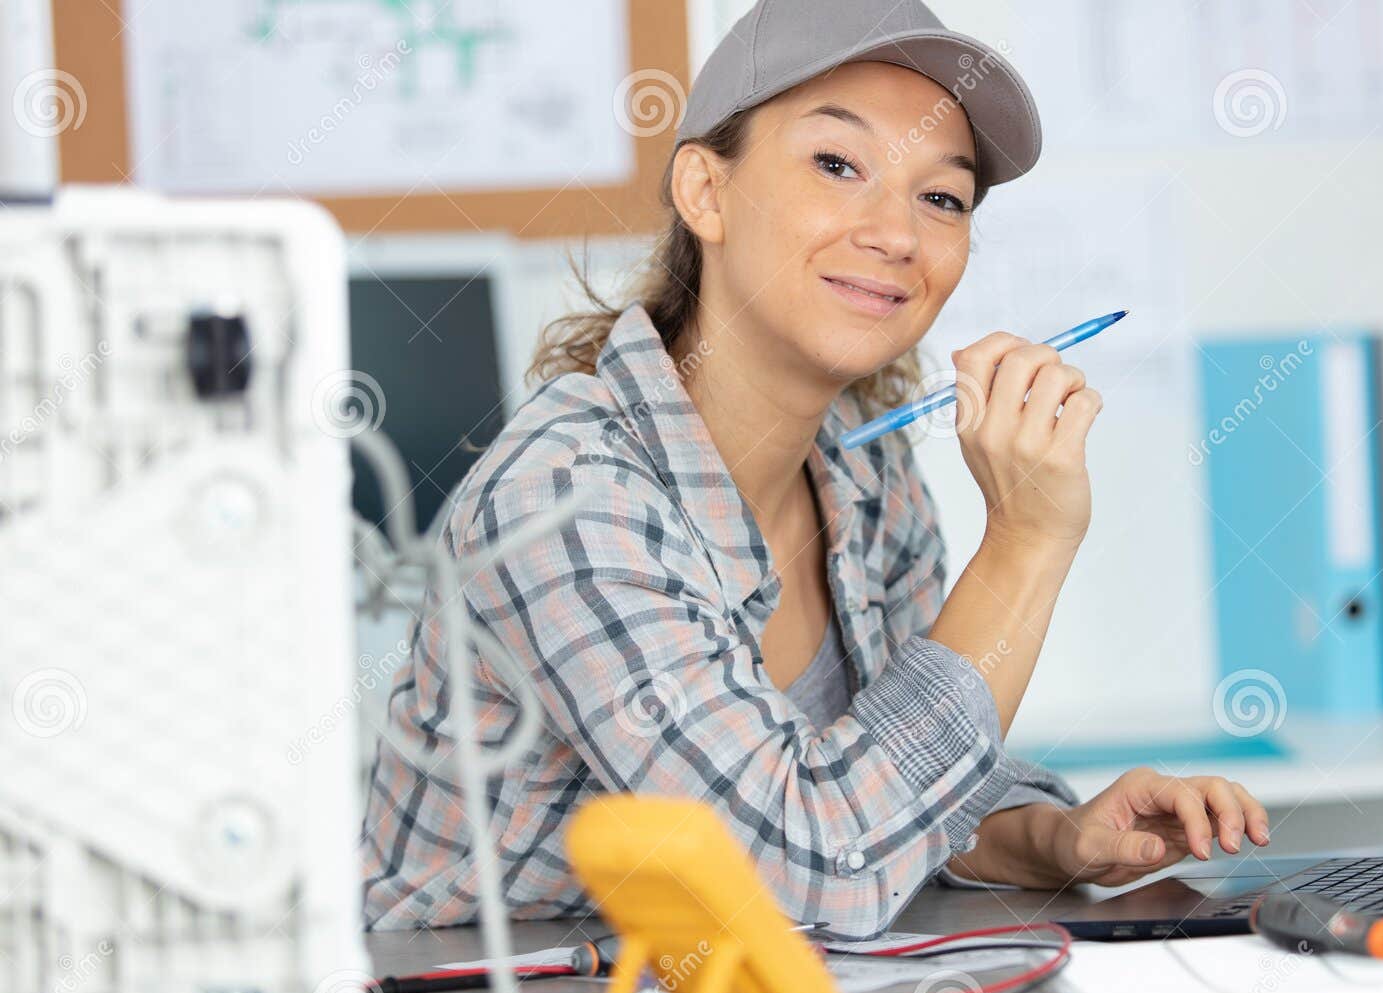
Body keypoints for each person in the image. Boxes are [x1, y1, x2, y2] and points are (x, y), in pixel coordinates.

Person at [361, 0, 1269, 937]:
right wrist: (1027, 542)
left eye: (942, 197)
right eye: (838, 165)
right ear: (706, 193)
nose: (897, 234)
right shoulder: (567, 499)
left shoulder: (870, 484)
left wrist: (1049, 838)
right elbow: (815, 875)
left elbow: (900, 791)